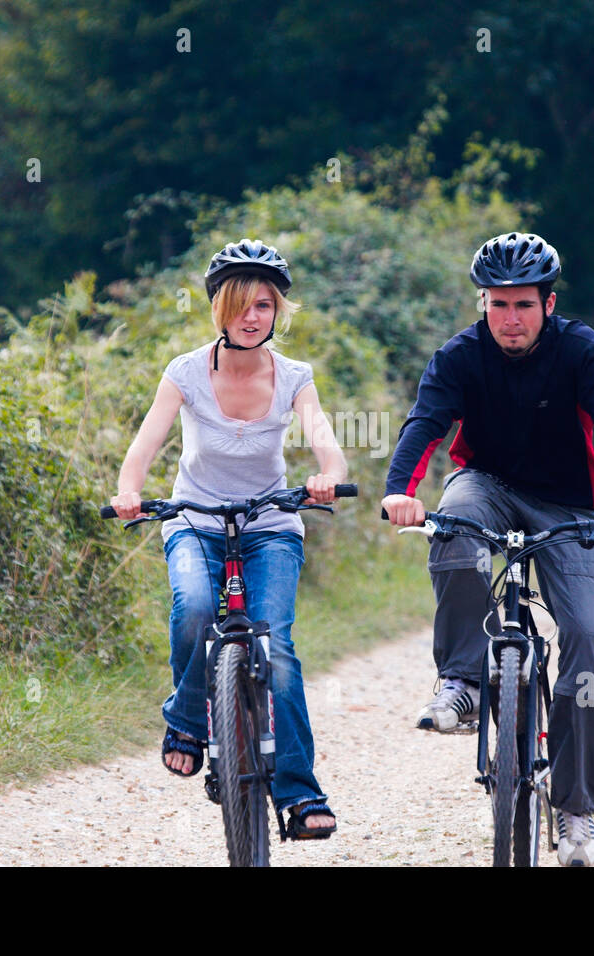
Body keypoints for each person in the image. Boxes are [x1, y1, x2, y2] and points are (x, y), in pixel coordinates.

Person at [380, 232, 594, 865]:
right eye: (497, 304)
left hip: (574, 509)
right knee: (454, 525)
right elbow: (426, 422)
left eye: (523, 305)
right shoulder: (461, 355)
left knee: (588, 639)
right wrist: (401, 490)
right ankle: (464, 682)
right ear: (483, 303)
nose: (509, 319)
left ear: (548, 305)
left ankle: (578, 811)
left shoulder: (586, 352)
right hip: (489, 487)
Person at [112, 239, 344, 838]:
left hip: (269, 525)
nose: (252, 316)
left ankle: (299, 794)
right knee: (193, 607)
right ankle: (188, 718)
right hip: (194, 518)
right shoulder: (185, 372)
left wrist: (327, 478)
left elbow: (326, 443)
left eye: (264, 305)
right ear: (219, 308)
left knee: (279, 650)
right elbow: (144, 447)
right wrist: (129, 490)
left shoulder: (295, 377)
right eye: (241, 304)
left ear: (278, 312)